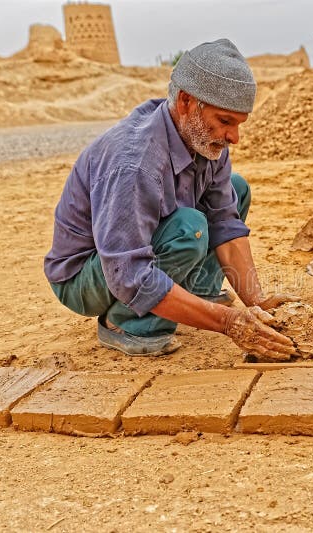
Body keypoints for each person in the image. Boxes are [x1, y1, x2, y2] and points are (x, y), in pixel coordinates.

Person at [43, 38, 298, 359]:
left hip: (136, 254)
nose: (235, 137)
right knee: (189, 228)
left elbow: (225, 223)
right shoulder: (134, 163)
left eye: (238, 123)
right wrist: (228, 322)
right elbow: (128, 272)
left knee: (236, 189)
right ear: (186, 102)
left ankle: (191, 297)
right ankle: (125, 323)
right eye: (225, 121)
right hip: (88, 276)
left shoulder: (204, 141)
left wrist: (256, 301)